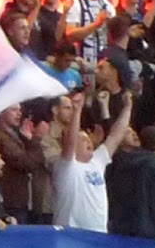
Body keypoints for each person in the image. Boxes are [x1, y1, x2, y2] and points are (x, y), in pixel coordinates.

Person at [53, 90, 132, 232]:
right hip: (70, 235)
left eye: (89, 139)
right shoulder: (65, 166)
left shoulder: (97, 161)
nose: (88, 141)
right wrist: (77, 111)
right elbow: (70, 141)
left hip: (98, 235)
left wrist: (128, 107)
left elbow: (115, 136)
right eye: (83, 140)